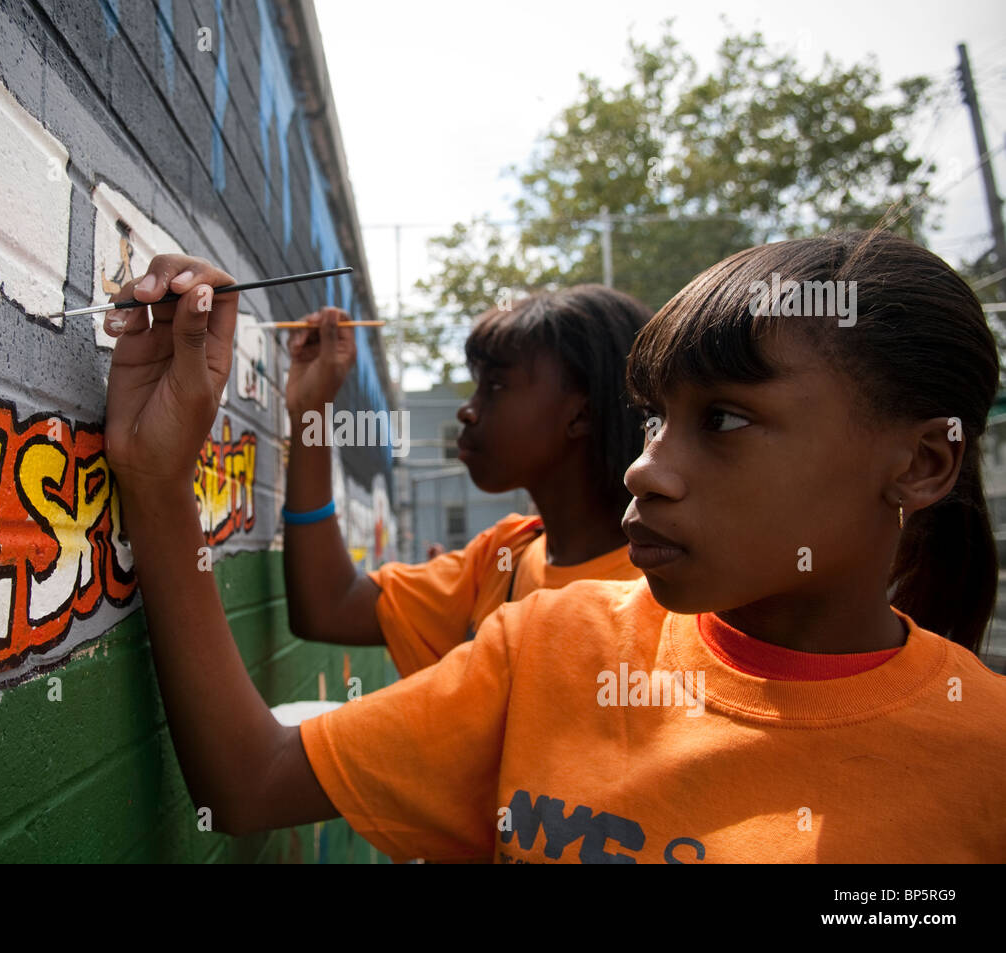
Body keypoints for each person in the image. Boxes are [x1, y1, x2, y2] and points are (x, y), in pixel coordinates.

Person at [101, 230, 1006, 862]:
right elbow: (249, 780)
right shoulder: (549, 644)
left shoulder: (983, 758)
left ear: (922, 464)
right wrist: (154, 479)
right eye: (654, 418)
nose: (647, 469)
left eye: (725, 419)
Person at [282, 289, 652, 677]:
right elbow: (329, 607)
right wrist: (311, 410)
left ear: (582, 414)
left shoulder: (658, 597)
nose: (467, 410)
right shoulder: (506, 555)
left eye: (495, 386)